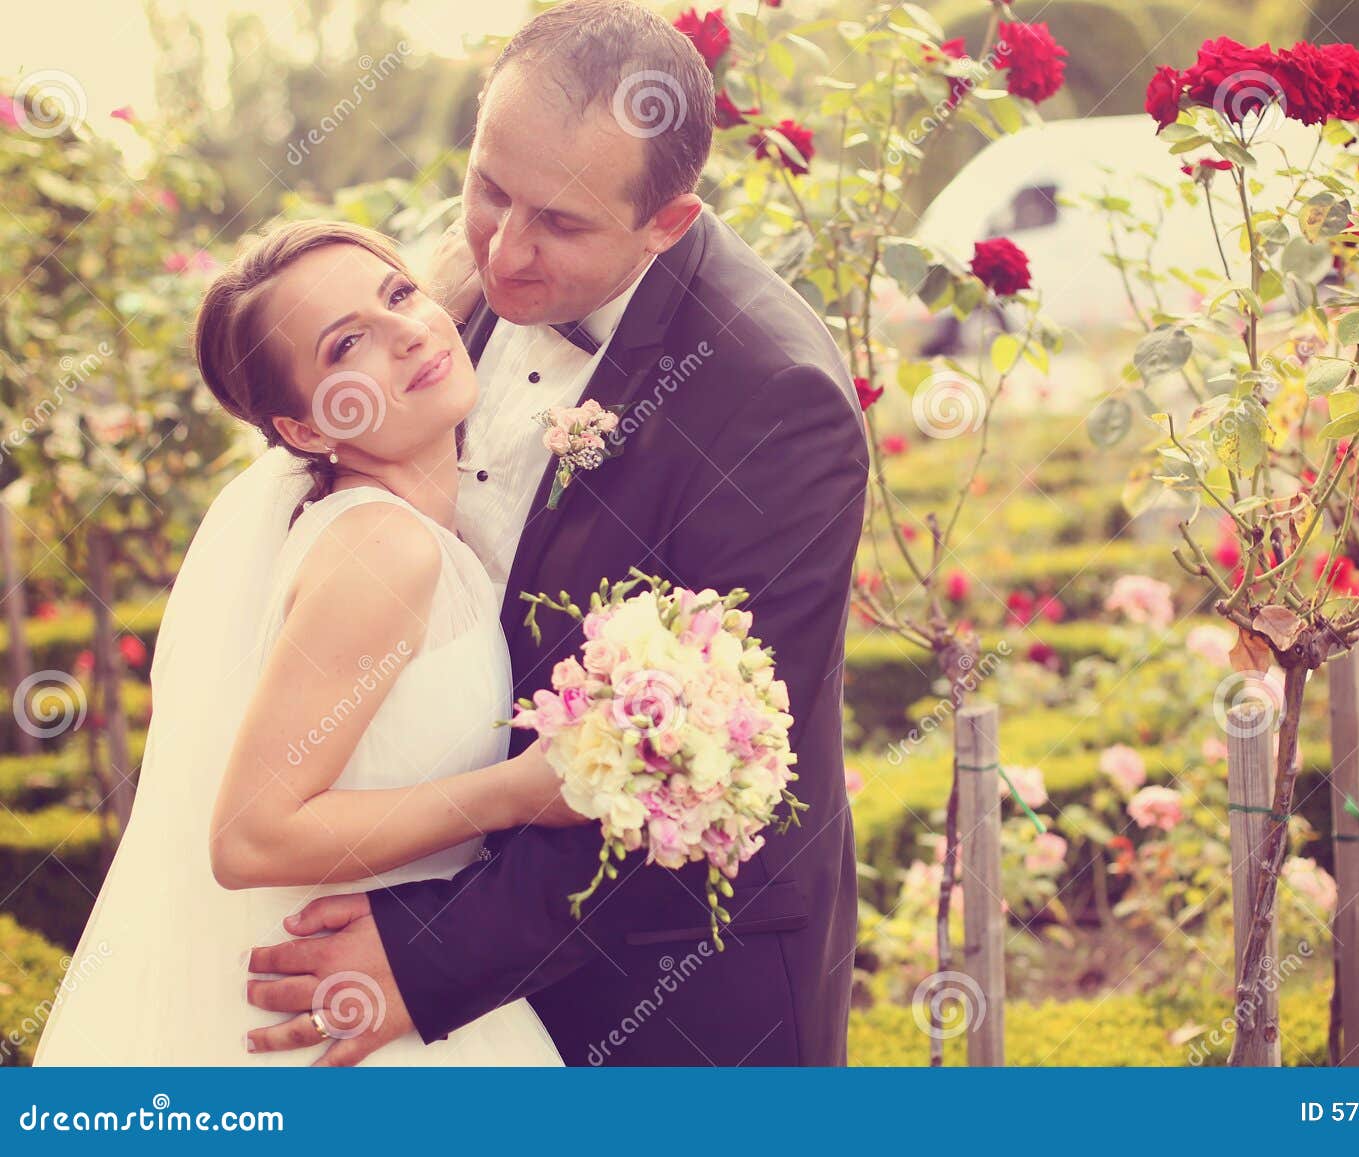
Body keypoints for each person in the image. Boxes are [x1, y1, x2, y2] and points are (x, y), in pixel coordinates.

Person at [244, 0, 869, 1066]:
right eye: (489, 187)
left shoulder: (776, 400)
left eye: (564, 224)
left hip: (676, 990)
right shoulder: (446, 298)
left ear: (666, 222)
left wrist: (429, 952)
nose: (504, 247)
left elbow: (696, 766)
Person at [35, 221, 569, 1066]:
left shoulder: (398, 531)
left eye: (400, 294)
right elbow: (251, 836)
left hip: (402, 993)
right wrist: (519, 792)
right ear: (310, 429)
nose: (406, 332)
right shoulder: (383, 550)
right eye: (346, 345)